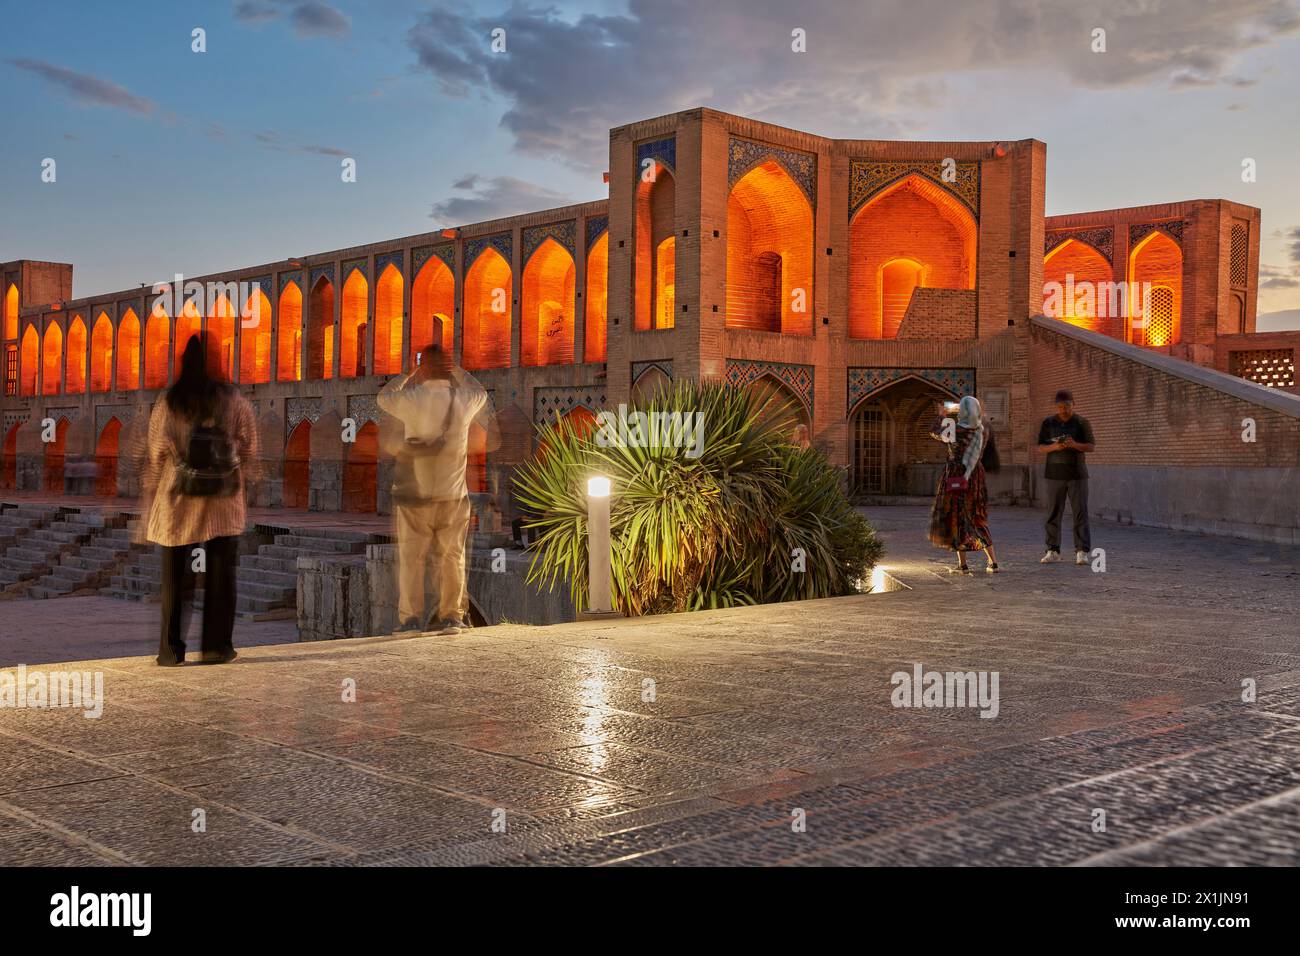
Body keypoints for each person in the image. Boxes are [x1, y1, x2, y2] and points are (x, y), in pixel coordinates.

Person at [139, 334, 257, 666]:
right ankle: (217, 647)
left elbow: (156, 451)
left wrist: (153, 489)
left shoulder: (170, 401)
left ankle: (171, 650)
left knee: (176, 577)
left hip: (178, 498)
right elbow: (249, 449)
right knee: (221, 575)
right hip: (222, 500)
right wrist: (236, 471)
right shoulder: (233, 401)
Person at [378, 342, 497, 635]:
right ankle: (452, 617)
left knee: (411, 560)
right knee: (452, 557)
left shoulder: (412, 398)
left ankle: (410, 621)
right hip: (453, 495)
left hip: (414, 496)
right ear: (448, 368)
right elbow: (480, 392)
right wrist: (456, 369)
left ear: (422, 369)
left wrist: (407, 373)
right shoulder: (464, 400)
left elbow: (384, 397)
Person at [928, 395, 1000, 573]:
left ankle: (963, 565)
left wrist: (942, 415)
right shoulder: (983, 430)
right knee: (977, 517)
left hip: (956, 475)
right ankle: (993, 562)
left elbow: (934, 431)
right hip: (975, 476)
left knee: (957, 517)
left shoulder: (954, 429)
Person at [1037, 388, 1096, 565]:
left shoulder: (1082, 422)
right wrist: (1056, 447)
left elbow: (1091, 446)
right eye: (1061, 406)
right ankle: (1052, 550)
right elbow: (1040, 447)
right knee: (1053, 513)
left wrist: (1075, 444)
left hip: (1077, 475)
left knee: (1080, 513)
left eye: (1068, 406)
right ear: (1057, 406)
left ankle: (1082, 551)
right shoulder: (1048, 423)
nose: (1064, 410)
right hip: (1054, 475)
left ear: (1073, 405)